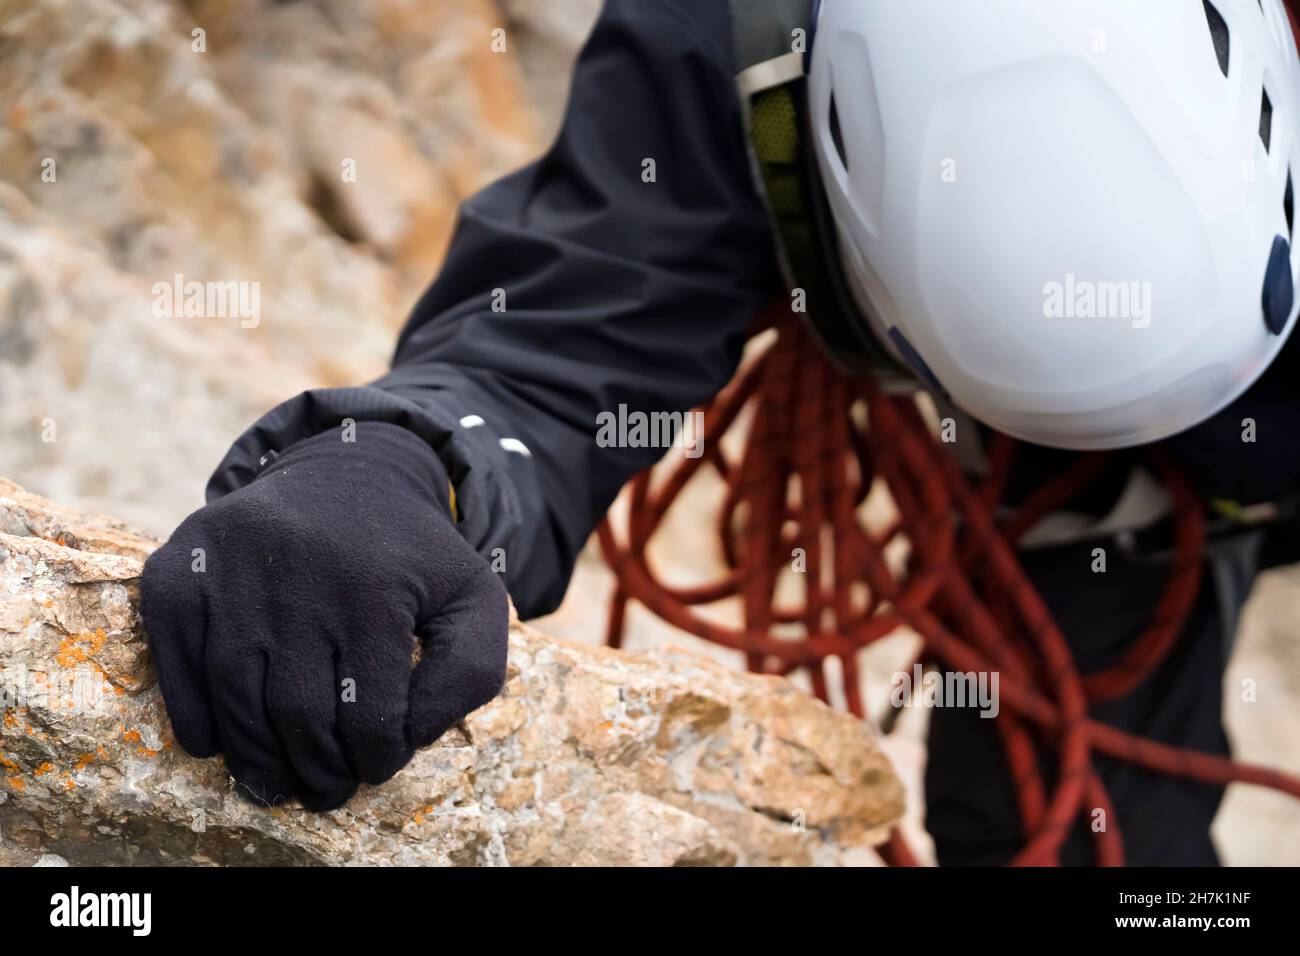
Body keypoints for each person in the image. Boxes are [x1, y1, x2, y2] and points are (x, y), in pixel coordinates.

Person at [141, 0, 1300, 864]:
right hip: (1091, 500)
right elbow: (567, 338)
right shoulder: (738, 35)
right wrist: (392, 464)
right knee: (1062, 832)